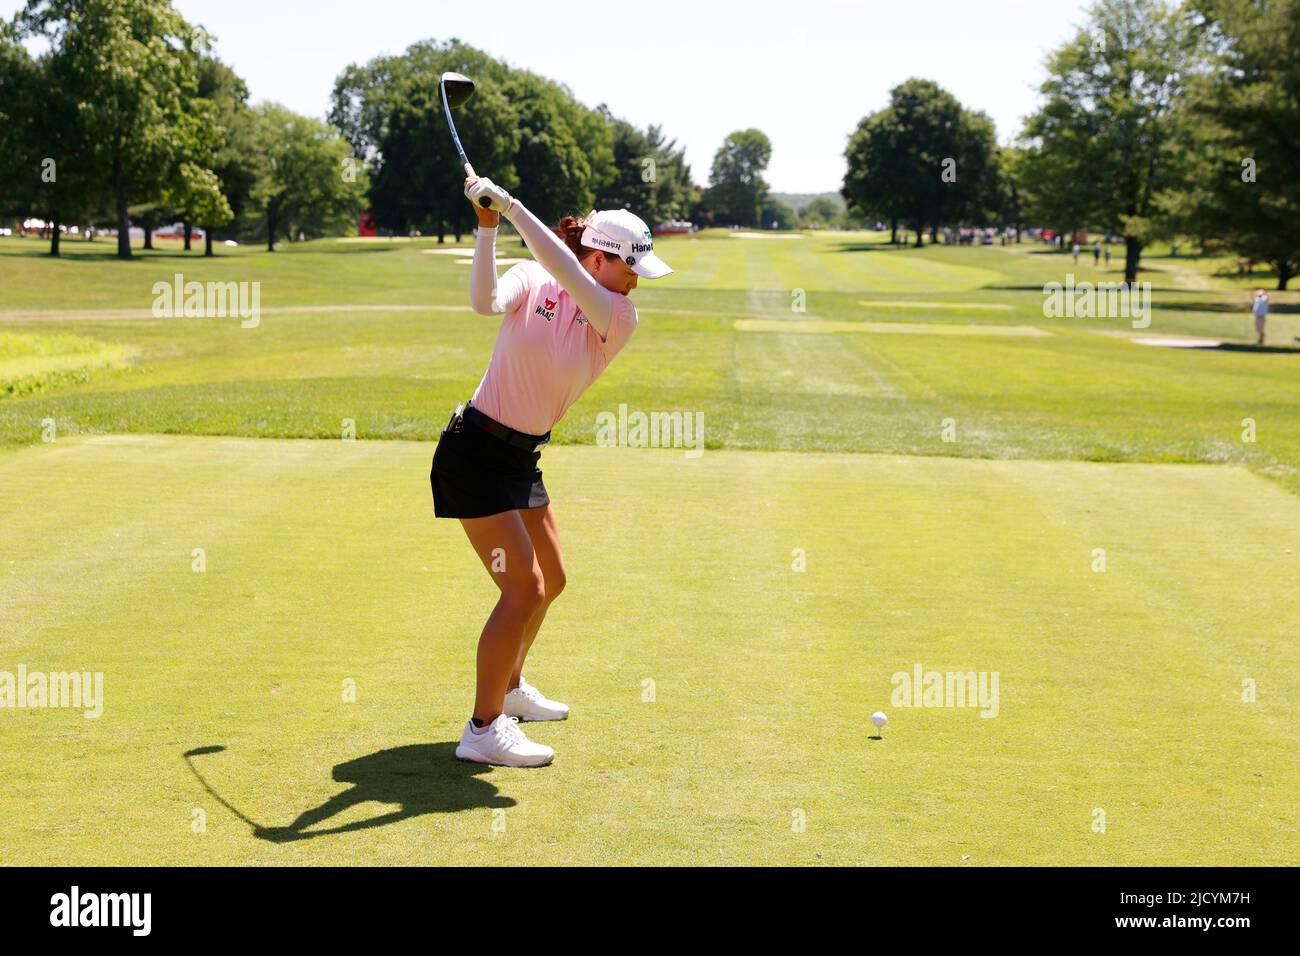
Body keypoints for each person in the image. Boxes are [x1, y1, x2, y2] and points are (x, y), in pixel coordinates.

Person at [430, 175, 673, 768]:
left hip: (520, 458)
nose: (638, 279)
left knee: (553, 578)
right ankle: (483, 729)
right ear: (599, 256)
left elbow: (565, 272)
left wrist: (511, 205)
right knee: (524, 588)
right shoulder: (535, 277)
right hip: (474, 452)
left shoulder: (618, 314)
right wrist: (489, 229)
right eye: (631, 267)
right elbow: (484, 302)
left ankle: (510, 690)